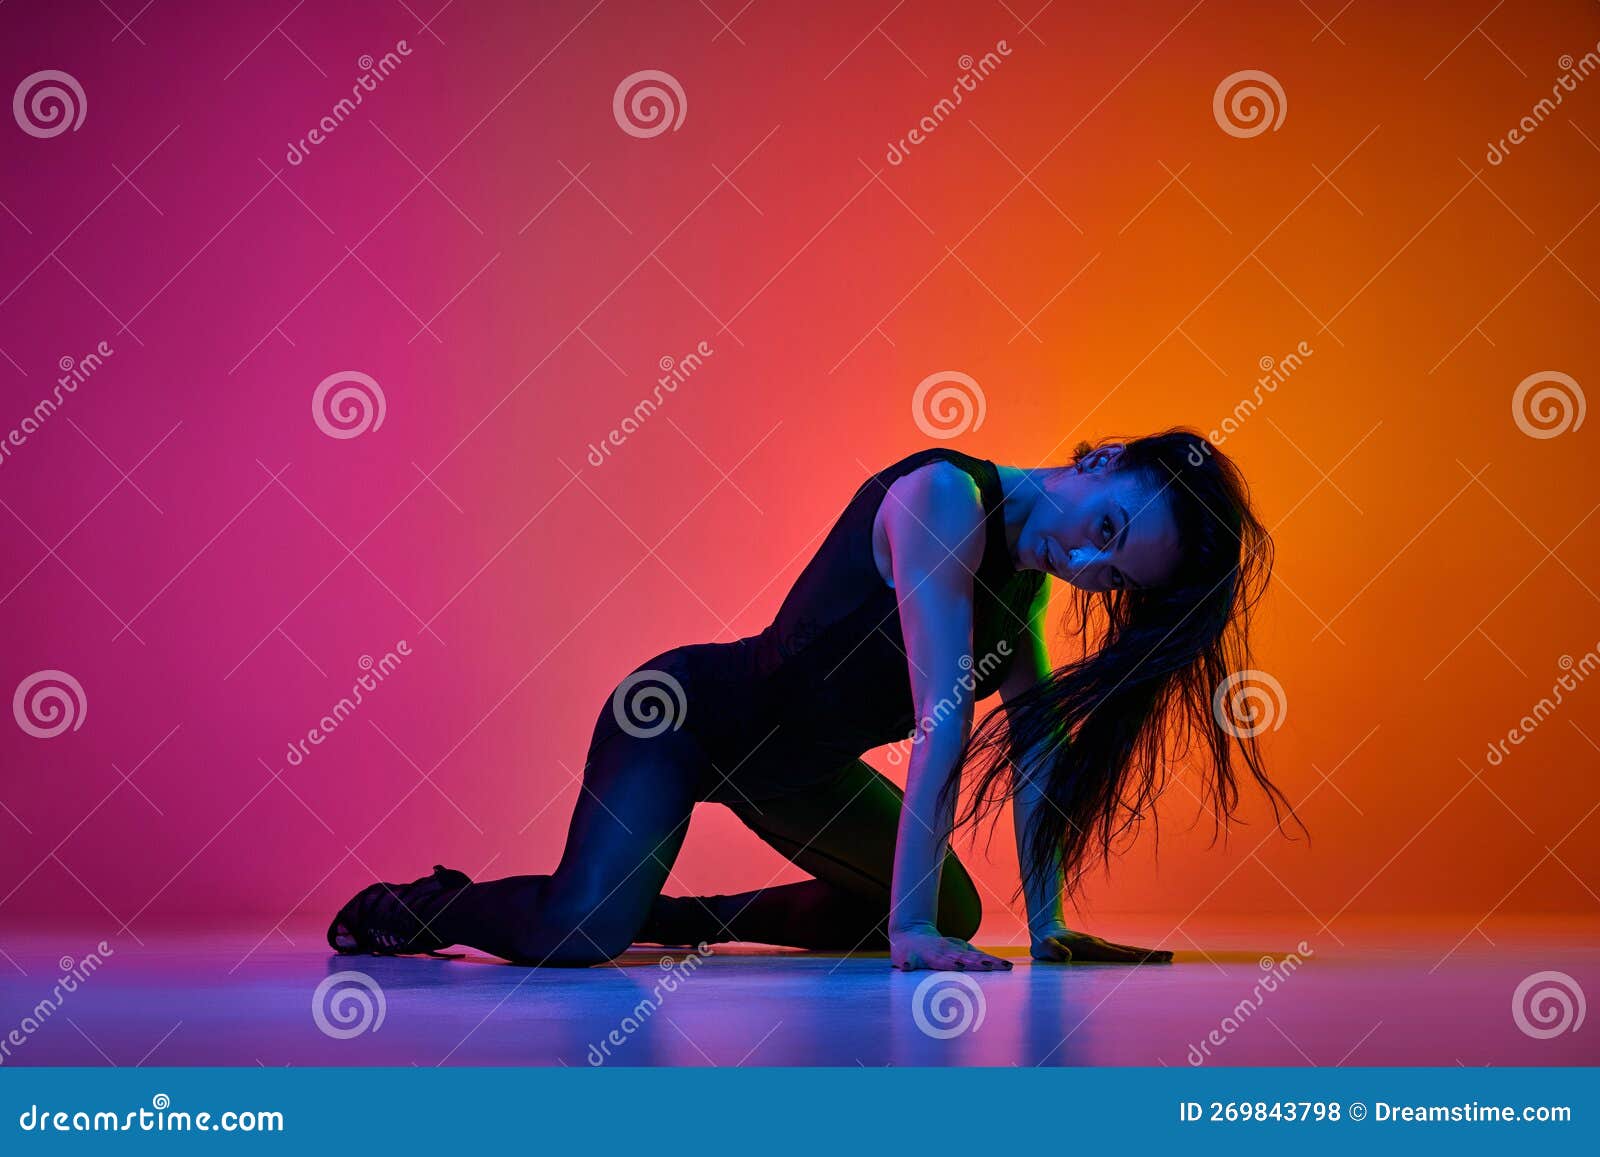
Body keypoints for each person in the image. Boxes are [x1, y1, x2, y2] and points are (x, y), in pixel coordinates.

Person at [328, 431, 1287, 971]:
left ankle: (683, 918)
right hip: (687, 715)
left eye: (1112, 576)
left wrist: (1050, 927)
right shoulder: (944, 498)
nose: (1084, 562)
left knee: (950, 909)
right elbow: (944, 720)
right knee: (579, 933)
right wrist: (903, 933)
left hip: (795, 775)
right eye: (1105, 527)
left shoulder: (1026, 597)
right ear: (1099, 458)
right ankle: (430, 907)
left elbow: (1036, 757)